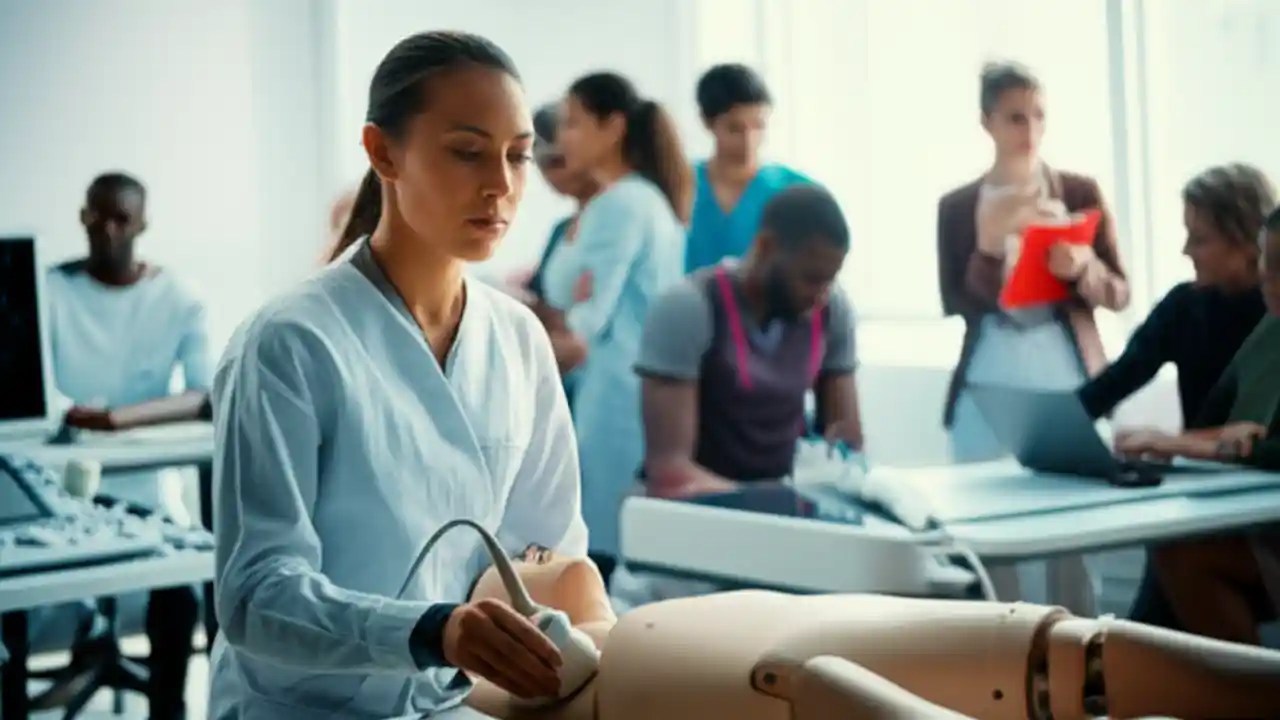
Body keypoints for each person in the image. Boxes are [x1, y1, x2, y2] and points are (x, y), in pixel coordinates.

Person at [208, 31, 588, 719]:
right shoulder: (289, 343)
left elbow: (548, 552)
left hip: (448, 705)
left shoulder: (517, 341)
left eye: (518, 156)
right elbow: (256, 595)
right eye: (468, 152)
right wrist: (432, 632)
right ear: (383, 152)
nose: (501, 186)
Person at [462, 551, 1280, 720]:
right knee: (812, 683)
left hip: (771, 629)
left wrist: (554, 581)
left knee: (1063, 652)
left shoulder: (576, 593)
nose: (532, 555)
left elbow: (568, 573)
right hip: (704, 672)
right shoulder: (471, 677)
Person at [935, 62, 1130, 616]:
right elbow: (956, 299)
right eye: (1016, 117)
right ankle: (1003, 653)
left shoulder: (1079, 191)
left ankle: (1081, 654)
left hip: (1068, 379)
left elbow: (1120, 292)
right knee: (985, 536)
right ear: (987, 122)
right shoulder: (958, 207)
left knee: (1076, 535)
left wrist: (1083, 268)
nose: (1031, 130)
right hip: (988, 382)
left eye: (1039, 115)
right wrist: (989, 248)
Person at [1078, 163, 1275, 631]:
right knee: (1149, 619)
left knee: (1162, 598)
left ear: (1248, 241)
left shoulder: (1272, 321)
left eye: (1200, 238)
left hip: (1257, 510)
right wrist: (1052, 426)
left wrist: (1172, 442)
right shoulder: (1186, 307)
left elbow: (1261, 442)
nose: (1186, 250)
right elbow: (1114, 383)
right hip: (1205, 499)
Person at [43, 171, 210, 719]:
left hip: (144, 489)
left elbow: (205, 393)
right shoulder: (49, 289)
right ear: (82, 217)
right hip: (56, 485)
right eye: (97, 216)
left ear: (142, 225)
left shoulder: (178, 297)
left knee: (180, 590)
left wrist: (117, 420)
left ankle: (169, 708)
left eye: (121, 219)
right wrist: (71, 415)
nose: (108, 230)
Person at [549, 72, 691, 583]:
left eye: (573, 123)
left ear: (613, 127)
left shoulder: (621, 205)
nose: (562, 138)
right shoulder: (636, 199)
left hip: (612, 396)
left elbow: (584, 322)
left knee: (600, 550)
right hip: (624, 390)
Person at [1117, 206, 1280, 646]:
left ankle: (1240, 683)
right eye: (1267, 263)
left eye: (1277, 267)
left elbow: (1261, 446)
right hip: (1256, 515)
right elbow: (1221, 423)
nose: (1266, 277)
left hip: (1267, 523)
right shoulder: (1269, 329)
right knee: (1175, 542)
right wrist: (1165, 442)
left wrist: (1194, 445)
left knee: (1183, 553)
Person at [637, 184, 863, 499]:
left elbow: (846, 445)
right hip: (698, 510)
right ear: (766, 246)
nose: (821, 294)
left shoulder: (831, 311)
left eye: (830, 280)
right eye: (811, 279)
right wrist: (775, 504)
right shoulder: (688, 308)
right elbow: (670, 474)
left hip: (781, 505)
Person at [685, 63, 809, 273]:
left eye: (758, 126)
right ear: (707, 122)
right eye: (735, 128)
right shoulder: (679, 184)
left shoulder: (797, 191)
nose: (749, 140)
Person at [523, 103, 600, 397]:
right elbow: (539, 298)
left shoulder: (616, 224)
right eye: (542, 165)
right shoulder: (561, 230)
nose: (553, 174)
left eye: (558, 161)